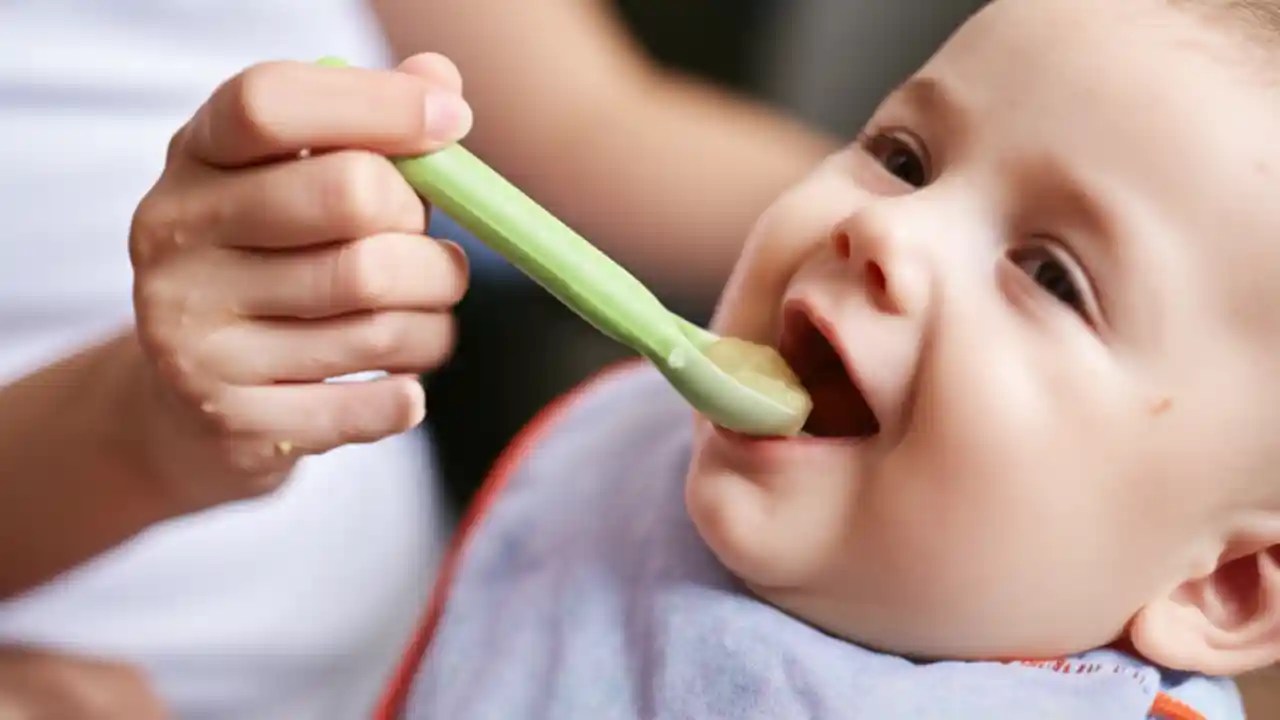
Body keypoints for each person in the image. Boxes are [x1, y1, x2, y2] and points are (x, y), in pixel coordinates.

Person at [382, 0, 1280, 717]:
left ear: (1224, 585)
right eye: (904, 158)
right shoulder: (619, 465)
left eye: (1050, 275)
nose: (886, 226)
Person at [0, 1, 829, 717]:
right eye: (902, 163)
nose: (888, 236)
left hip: (412, 646)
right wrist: (150, 421)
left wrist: (929, 228)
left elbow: (591, 122)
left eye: (902, 163)